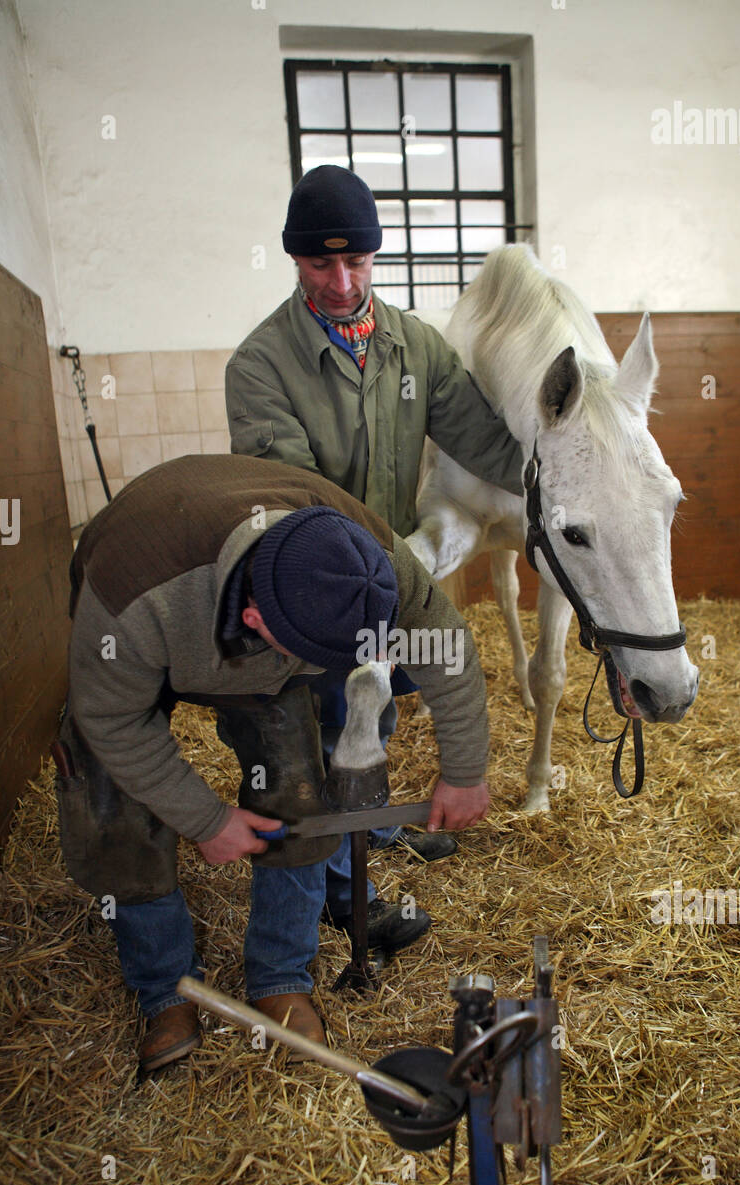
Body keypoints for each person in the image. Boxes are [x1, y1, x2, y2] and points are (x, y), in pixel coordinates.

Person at [55, 453, 490, 1072]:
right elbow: (113, 722)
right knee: (116, 814)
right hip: (155, 625)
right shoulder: (132, 600)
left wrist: (467, 770)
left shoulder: (369, 558)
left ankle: (281, 976)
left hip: (263, 635)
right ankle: (164, 991)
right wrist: (205, 820)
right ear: (258, 621)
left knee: (296, 787)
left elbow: (447, 646)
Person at [225, 164, 525, 947]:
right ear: (294, 262)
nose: (340, 280)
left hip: (385, 582)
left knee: (379, 712)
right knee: (332, 735)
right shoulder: (259, 367)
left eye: (356, 261)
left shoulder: (414, 347)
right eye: (320, 264)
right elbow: (303, 499)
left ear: (375, 257)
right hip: (317, 587)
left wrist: (558, 469)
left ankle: (379, 835)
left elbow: (483, 442)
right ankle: (344, 890)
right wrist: (400, 575)